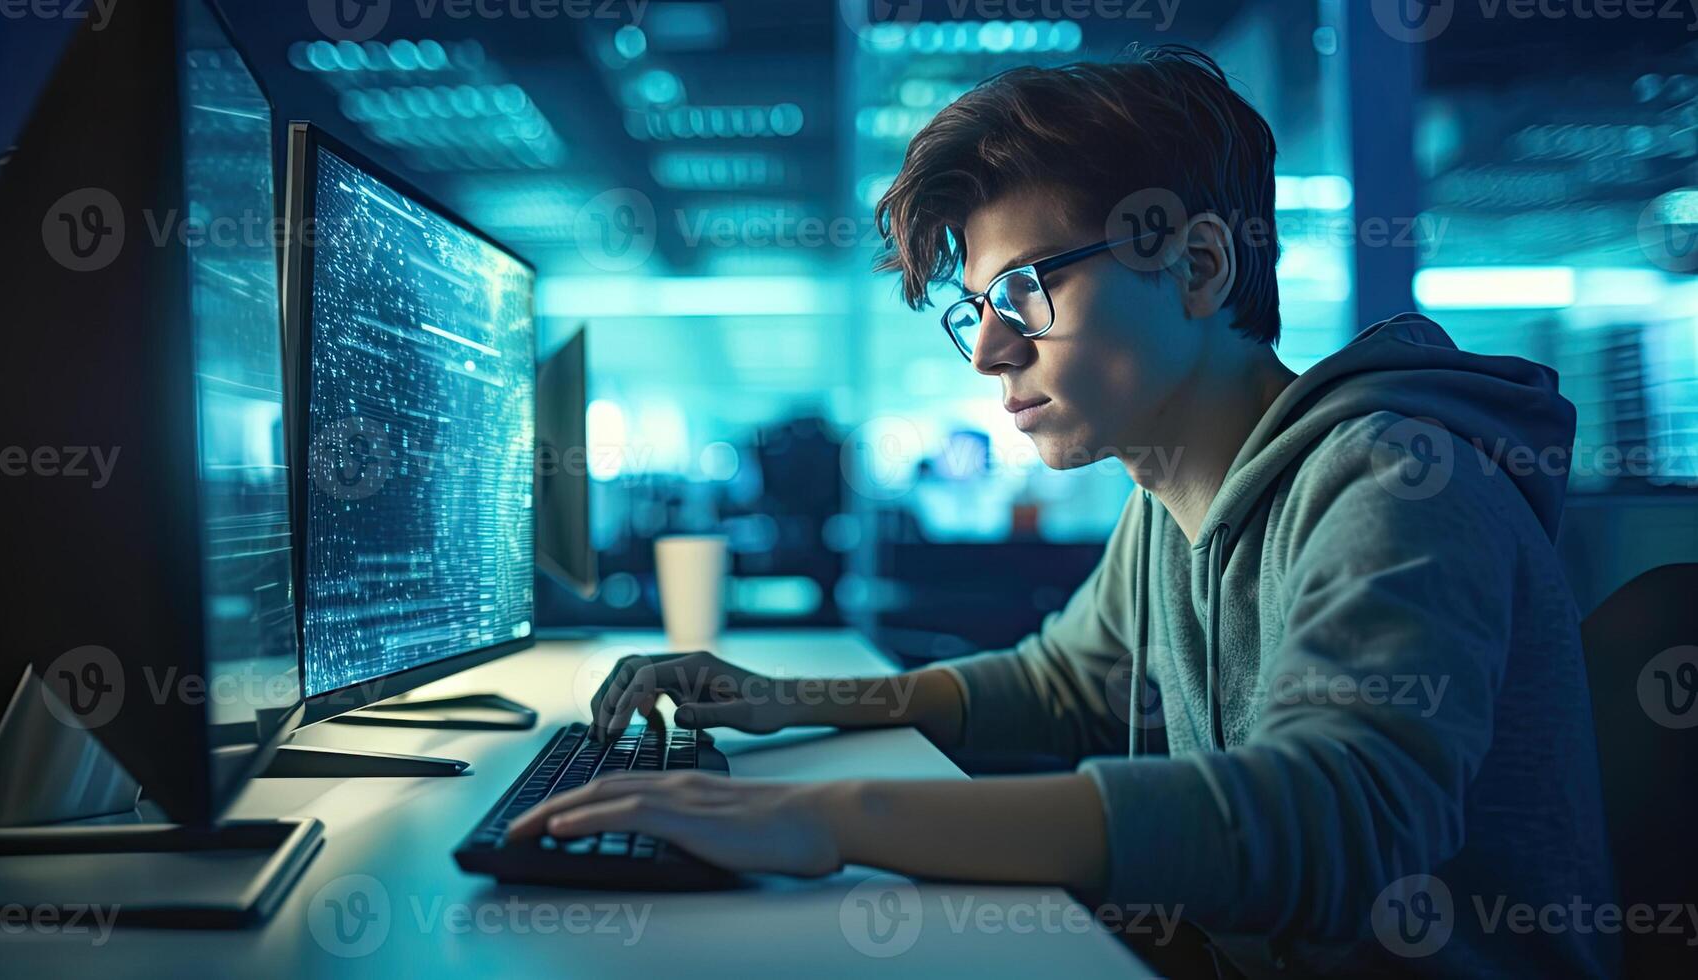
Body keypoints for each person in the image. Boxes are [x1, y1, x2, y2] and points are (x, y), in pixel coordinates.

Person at [510, 44, 1616, 977]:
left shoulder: (1396, 480)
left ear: (1196, 264)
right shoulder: (1171, 492)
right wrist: (789, 697)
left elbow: (1337, 817)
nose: (990, 349)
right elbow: (1059, 683)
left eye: (1029, 289)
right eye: (977, 309)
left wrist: (839, 816)